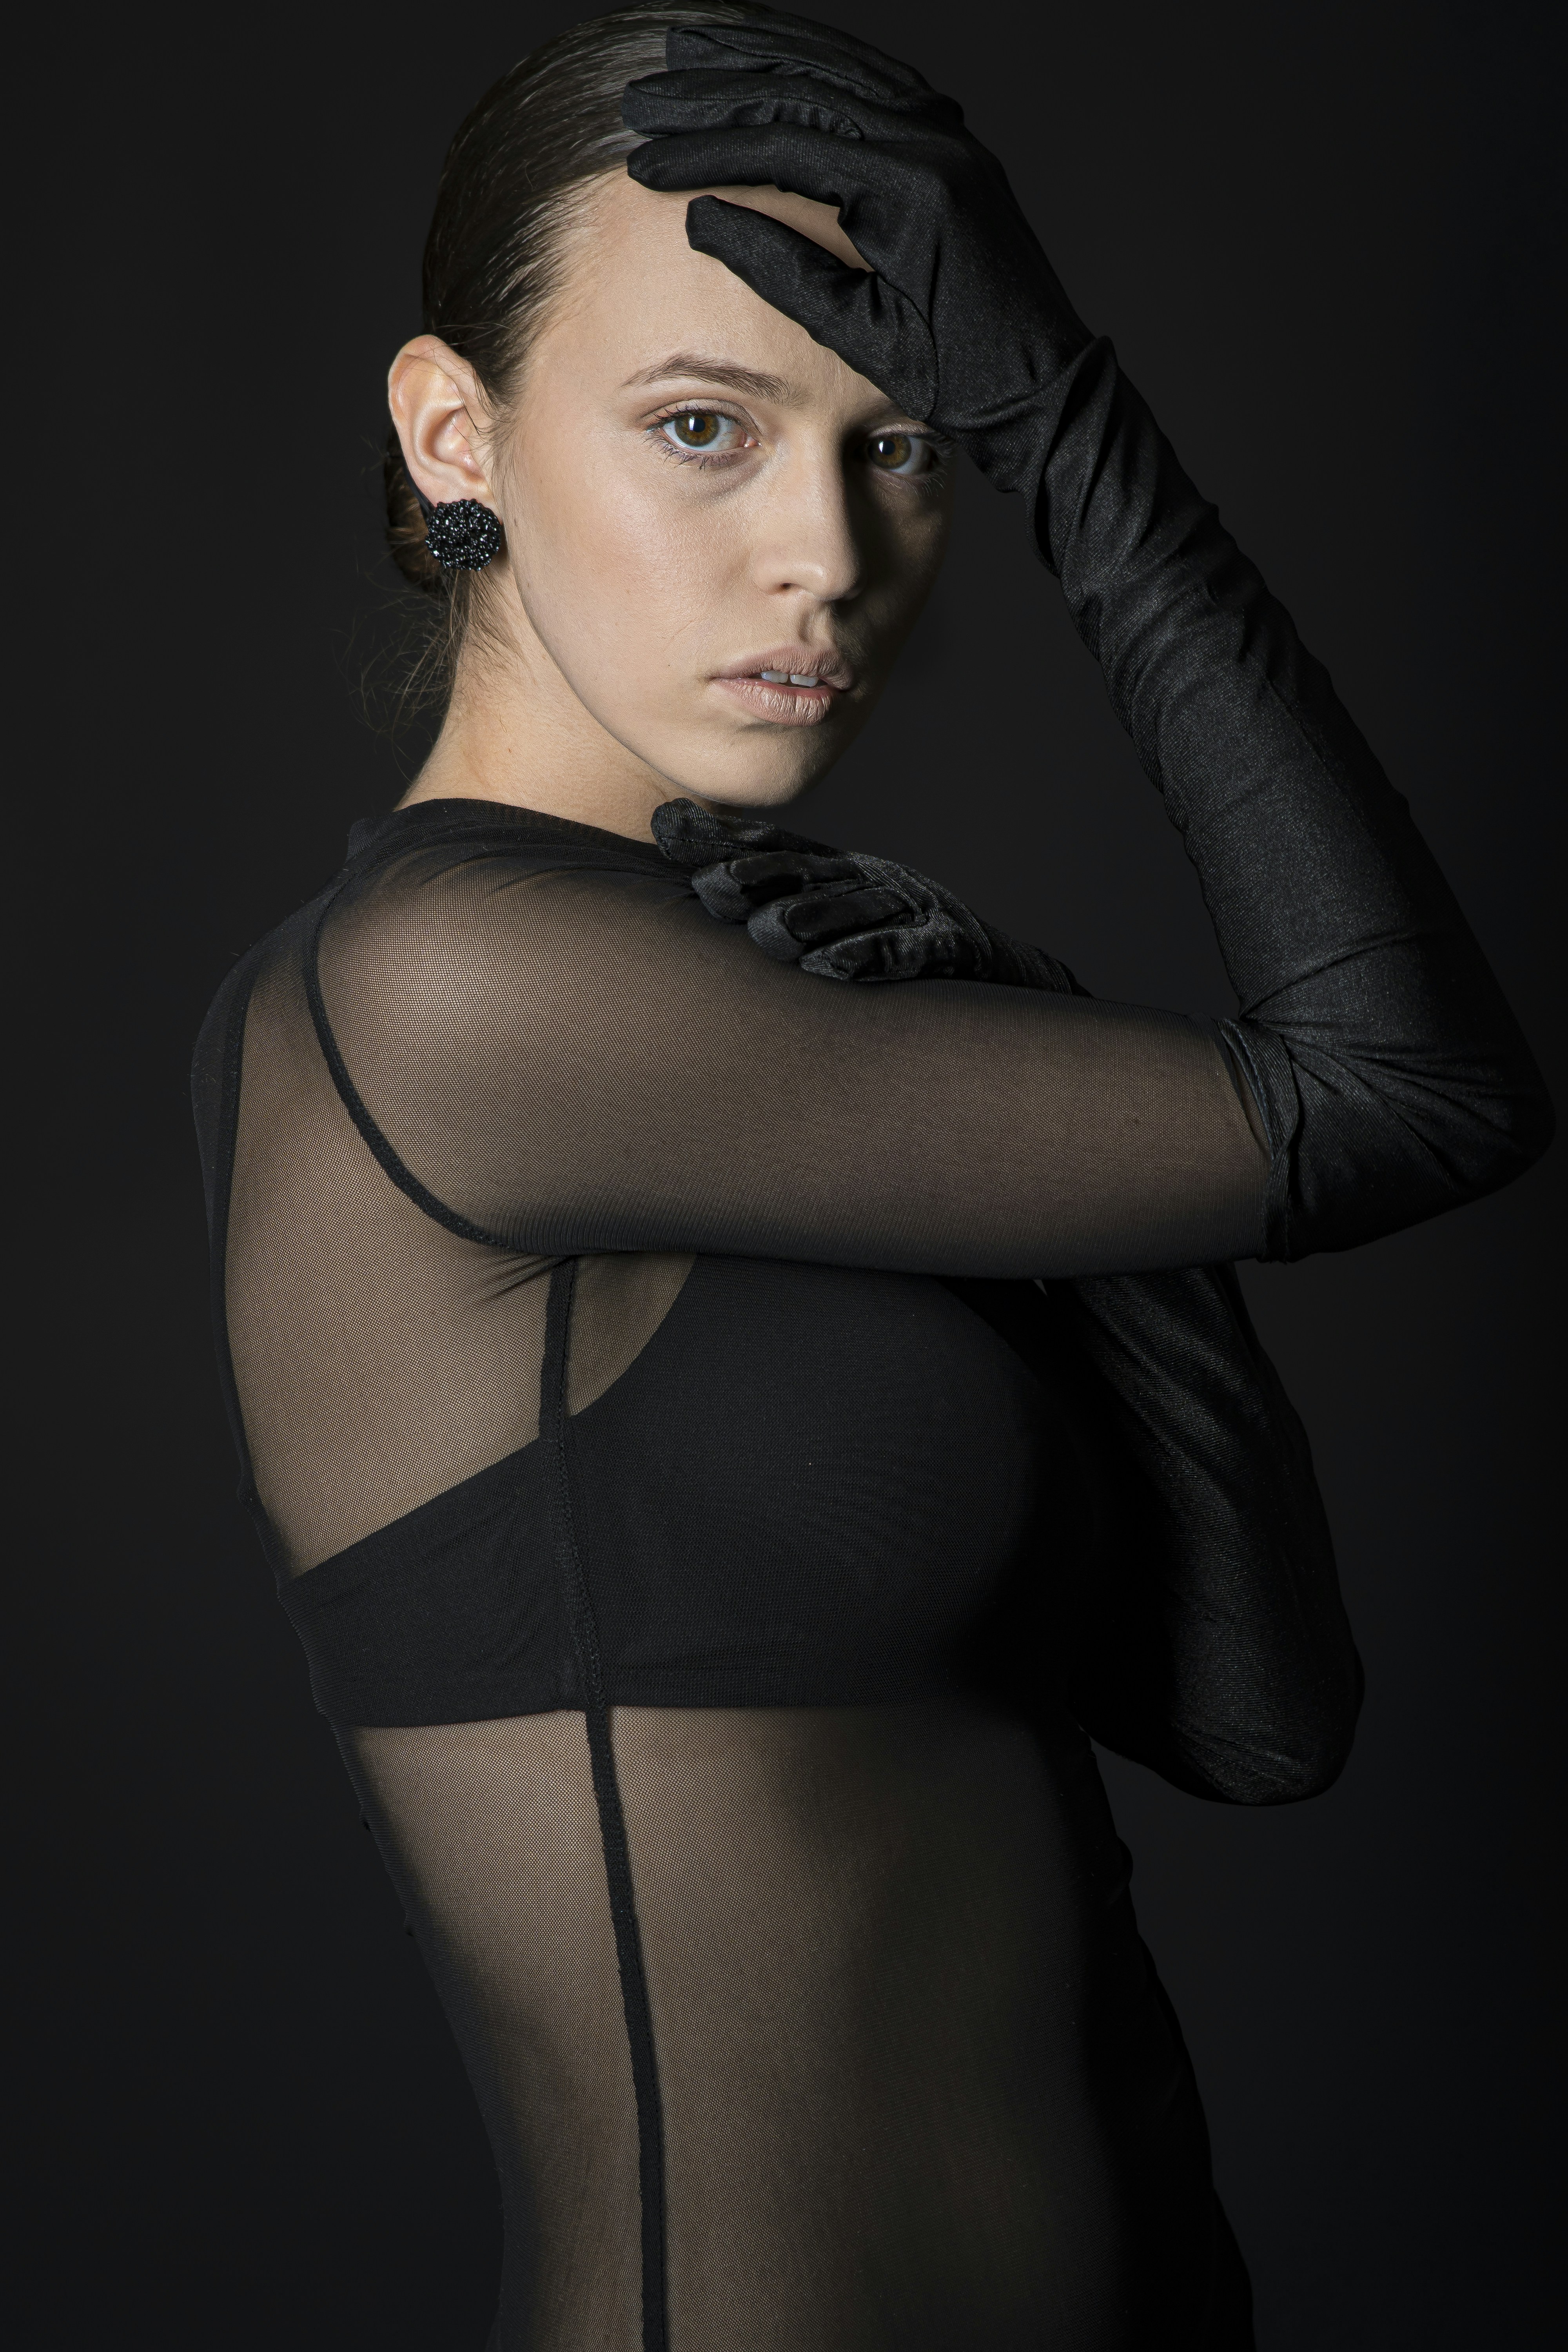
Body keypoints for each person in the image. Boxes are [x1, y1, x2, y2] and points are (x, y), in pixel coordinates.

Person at [192, 6, 1551, 2346]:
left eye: (902, 434)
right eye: (703, 429)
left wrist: (1016, 1024)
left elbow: (1264, 1719)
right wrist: (1060, 411)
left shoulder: (764, 1008)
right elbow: (1410, 1095)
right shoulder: (451, 995)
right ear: (458, 433)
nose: (825, 551)